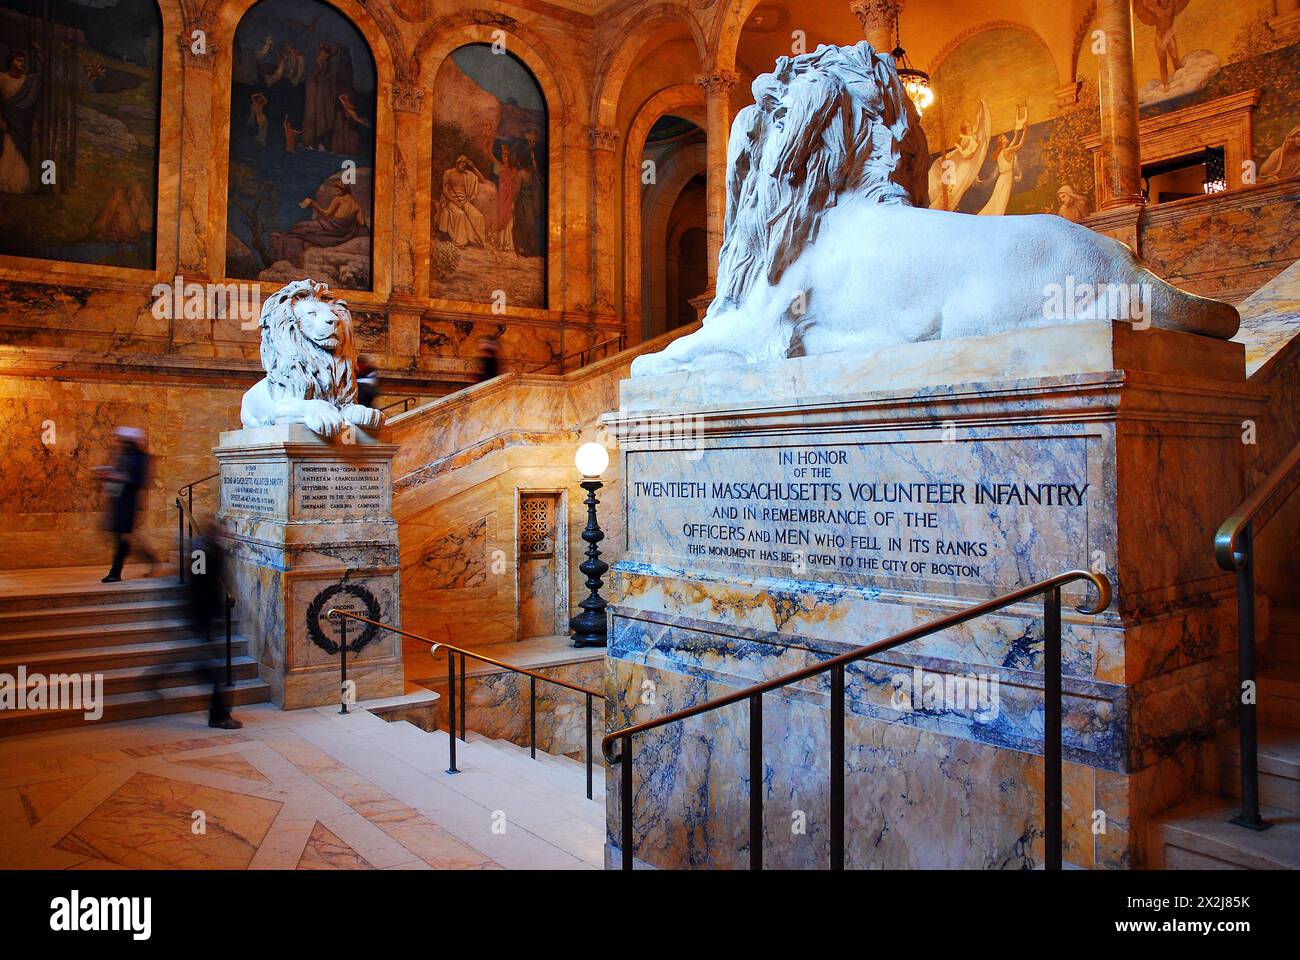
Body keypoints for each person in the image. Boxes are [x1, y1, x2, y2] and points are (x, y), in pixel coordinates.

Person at [185, 523, 241, 729]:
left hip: (205, 616)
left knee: (217, 668)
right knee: (220, 672)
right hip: (203, 616)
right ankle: (218, 715)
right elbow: (197, 584)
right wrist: (202, 614)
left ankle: (219, 713)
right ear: (214, 533)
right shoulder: (202, 551)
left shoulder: (202, 549)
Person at [94, 427, 153, 583]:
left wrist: (121, 477)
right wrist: (107, 475)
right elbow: (117, 474)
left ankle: (115, 572)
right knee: (122, 540)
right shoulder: (121, 455)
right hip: (117, 503)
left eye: (123, 440)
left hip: (128, 505)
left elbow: (141, 481)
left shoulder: (142, 458)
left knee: (121, 540)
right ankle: (150, 559)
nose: (121, 443)